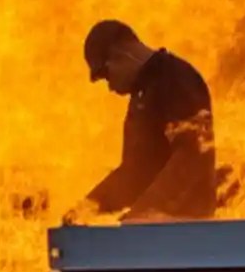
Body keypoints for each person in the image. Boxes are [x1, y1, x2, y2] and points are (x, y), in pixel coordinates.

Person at [81, 19, 217, 221]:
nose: (110, 87)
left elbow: (192, 153)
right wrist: (86, 209)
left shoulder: (177, 78)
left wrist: (145, 211)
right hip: (159, 230)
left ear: (121, 54)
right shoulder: (143, 93)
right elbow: (135, 172)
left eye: (107, 75)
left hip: (187, 228)